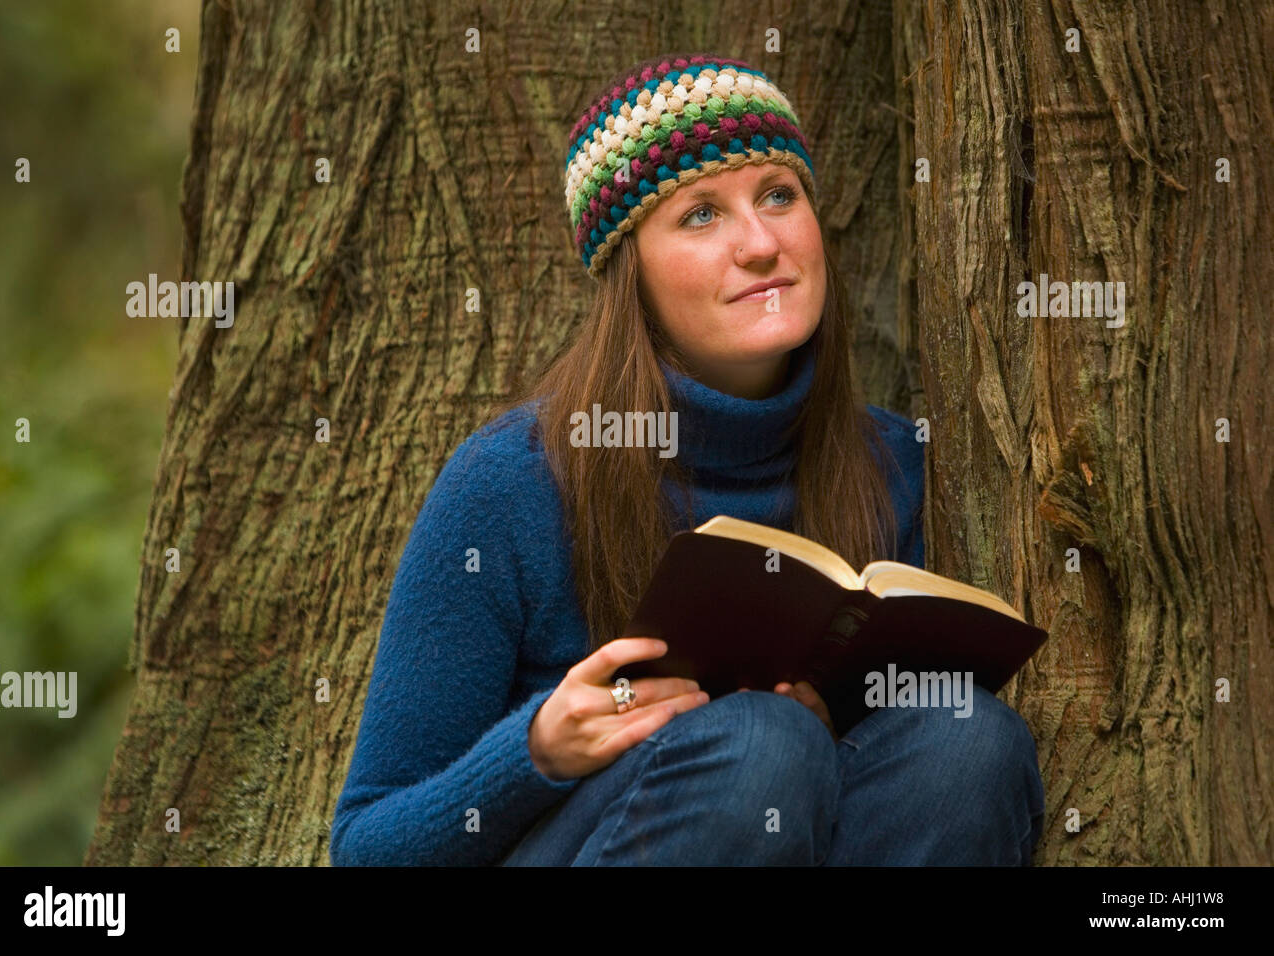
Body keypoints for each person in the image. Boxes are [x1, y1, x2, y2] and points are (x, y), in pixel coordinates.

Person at [328, 52, 1044, 867]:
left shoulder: (892, 462)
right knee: (758, 748)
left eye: (778, 194)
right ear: (630, 268)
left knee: (967, 738)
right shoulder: (513, 481)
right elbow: (365, 846)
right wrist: (535, 755)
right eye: (701, 214)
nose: (760, 243)